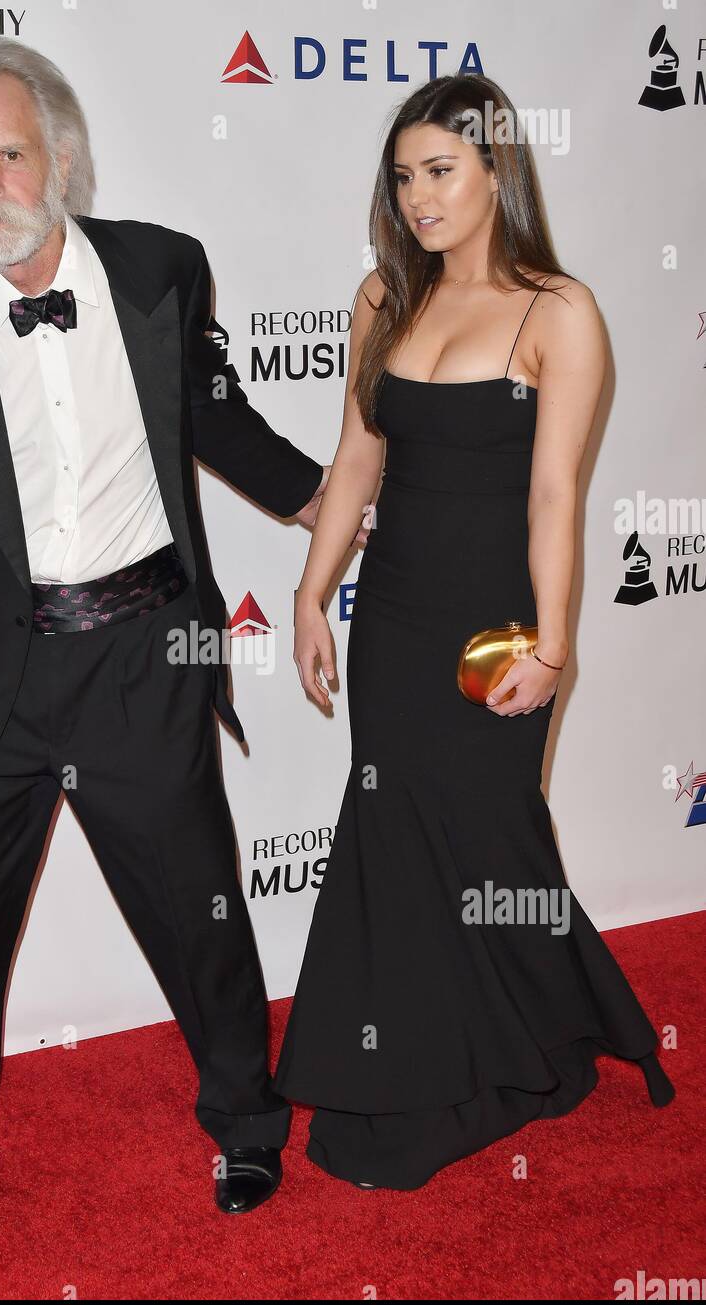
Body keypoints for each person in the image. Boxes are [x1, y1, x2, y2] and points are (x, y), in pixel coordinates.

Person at [0, 36, 328, 1228]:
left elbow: (220, 419)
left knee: (198, 900)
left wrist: (335, 504)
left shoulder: (162, 270)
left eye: (9, 152)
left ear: (60, 155)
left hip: (141, 654)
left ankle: (246, 1125)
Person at [273, 74, 675, 1192]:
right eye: (402, 177)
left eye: (439, 171)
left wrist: (553, 646)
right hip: (392, 621)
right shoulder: (381, 300)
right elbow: (357, 460)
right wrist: (311, 593)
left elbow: (556, 495)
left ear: (498, 172)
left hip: (495, 628)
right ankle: (417, 1064)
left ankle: (536, 1039)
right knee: (394, 836)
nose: (418, 196)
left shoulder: (560, 311)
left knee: (493, 837)